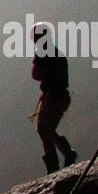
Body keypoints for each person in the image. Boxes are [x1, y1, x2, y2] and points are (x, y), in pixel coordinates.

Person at [30, 22, 78, 174]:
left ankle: (54, 164)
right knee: (47, 129)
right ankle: (66, 152)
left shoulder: (44, 53)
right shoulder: (56, 53)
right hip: (59, 96)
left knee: (44, 129)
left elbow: (36, 74)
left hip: (54, 97)